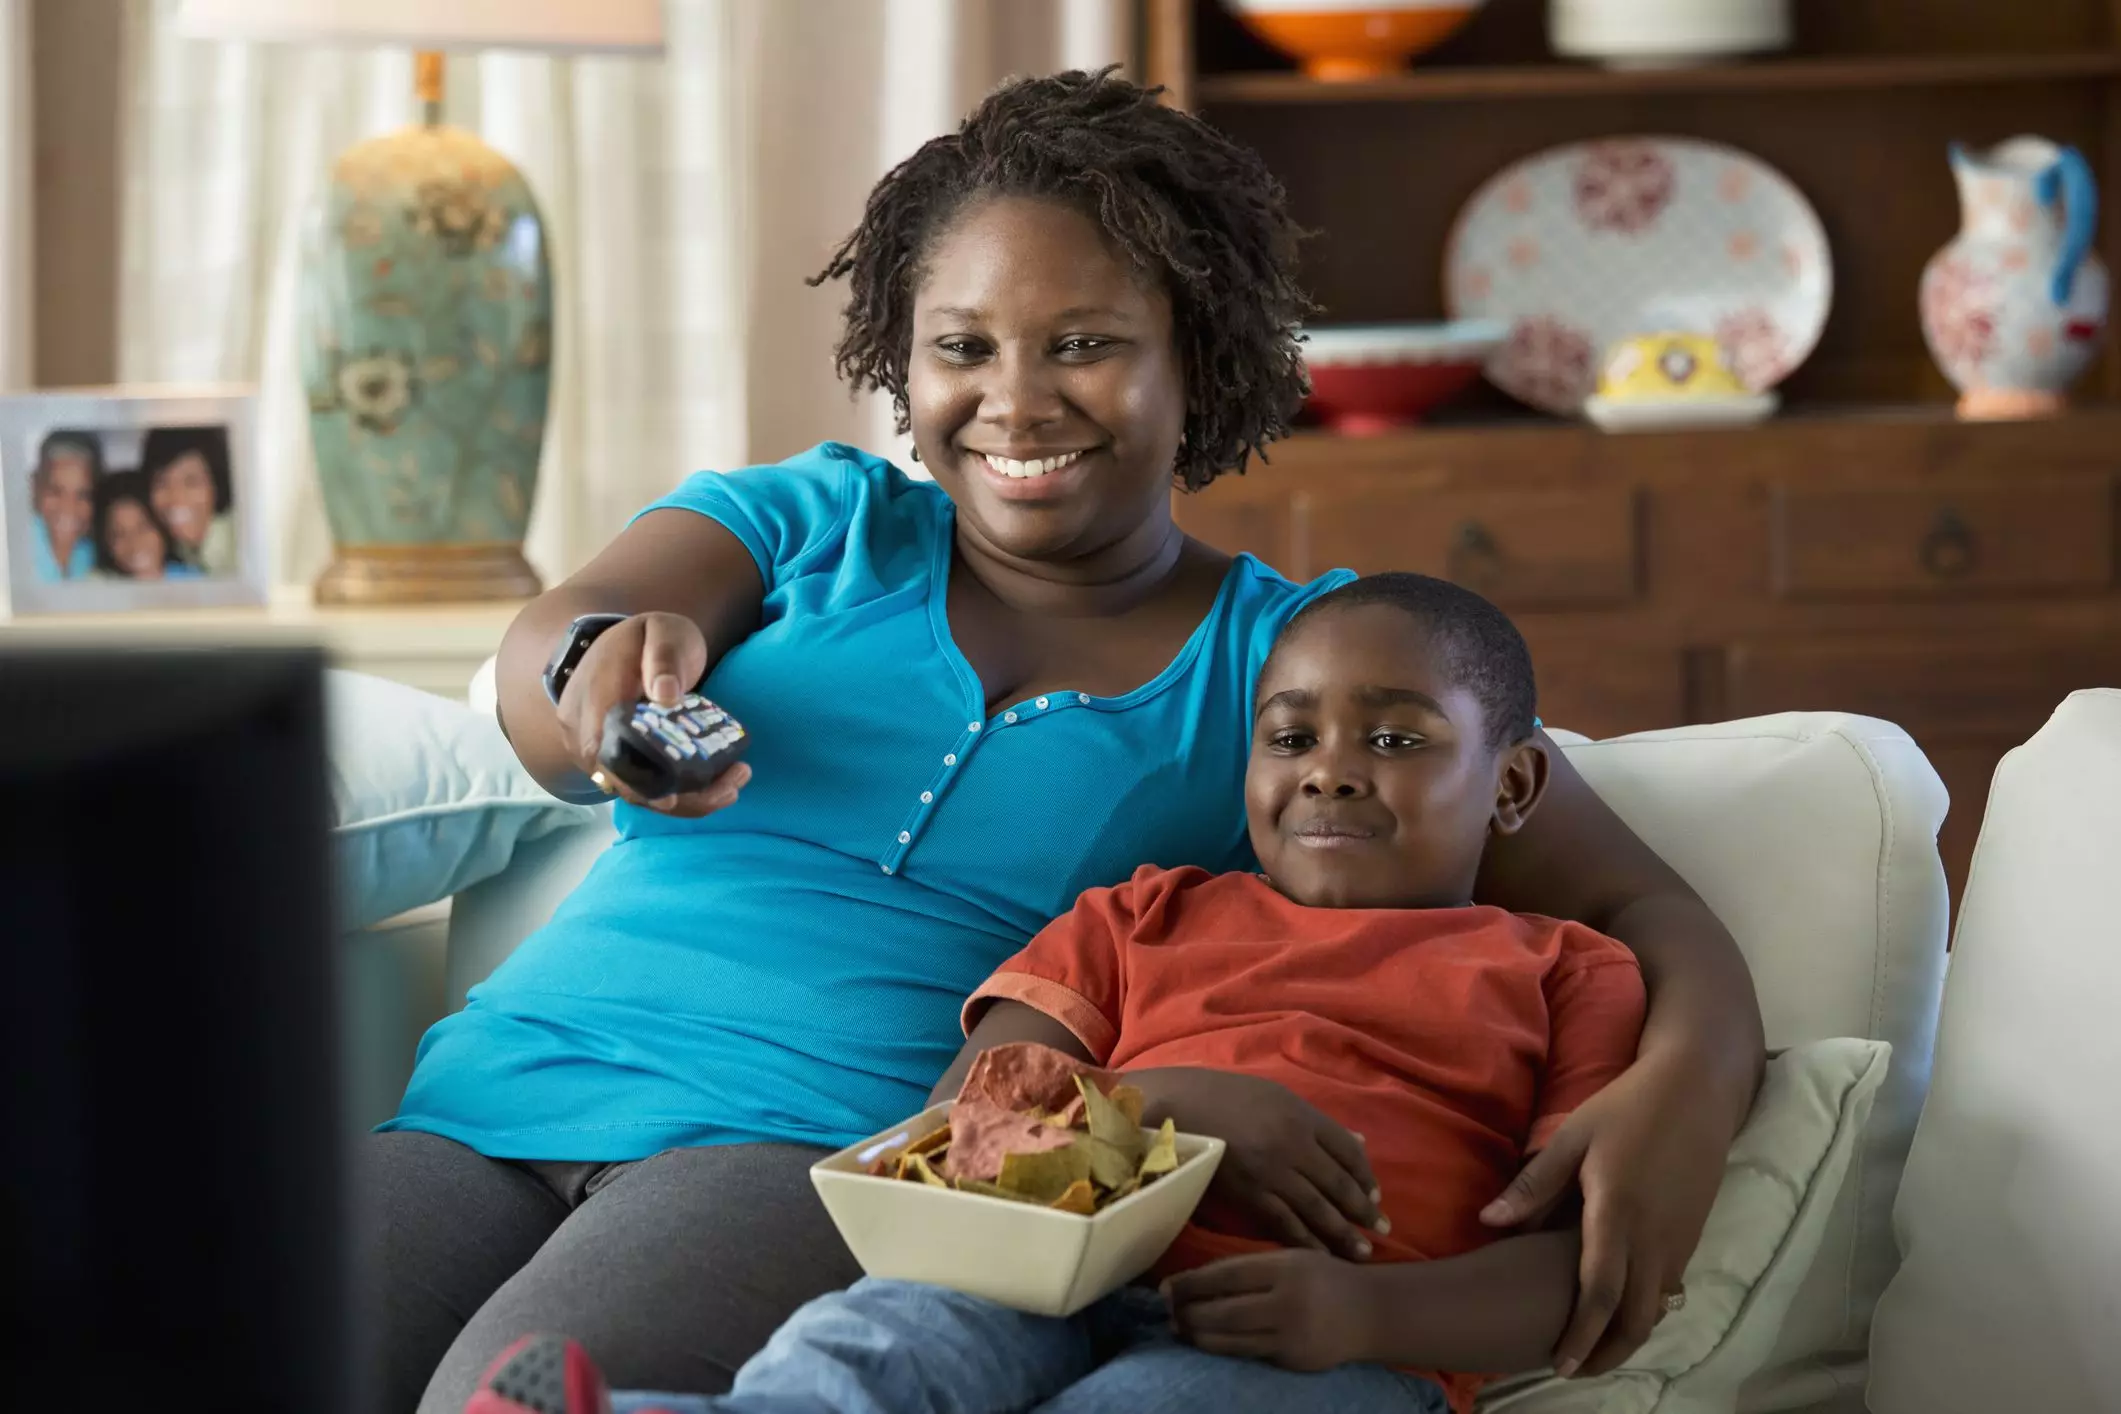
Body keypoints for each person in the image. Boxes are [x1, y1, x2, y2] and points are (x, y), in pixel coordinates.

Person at [367, 68, 1763, 1414]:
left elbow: (1633, 900)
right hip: (500, 1085)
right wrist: (596, 675)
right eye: (962, 347)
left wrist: (1685, 1098)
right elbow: (548, 670)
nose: (1016, 400)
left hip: (805, 1154)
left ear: (1198, 356)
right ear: (901, 366)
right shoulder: (807, 521)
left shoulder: (1302, 667)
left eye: (1084, 343)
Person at [471, 572, 1650, 1414]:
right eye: (1290, 738)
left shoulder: (1558, 970)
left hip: (1313, 1352)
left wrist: (1364, 1322)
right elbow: (951, 1134)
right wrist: (1165, 1104)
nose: (1329, 766)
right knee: (879, 1344)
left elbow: (1568, 1267)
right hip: (1038, 1269)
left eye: (1394, 743)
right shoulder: (1142, 914)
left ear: (1514, 783)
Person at [140, 425, 237, 576]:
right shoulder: (180, 549)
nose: (175, 498)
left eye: (191, 482)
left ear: (217, 485)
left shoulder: (238, 550)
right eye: (161, 482)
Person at [92, 471, 200, 581]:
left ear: (161, 526)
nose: (134, 542)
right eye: (119, 534)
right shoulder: (102, 589)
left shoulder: (194, 581)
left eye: (142, 528)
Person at [29, 431, 102, 582]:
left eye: (83, 495)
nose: (69, 507)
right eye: (55, 492)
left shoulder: (89, 554)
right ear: (35, 487)